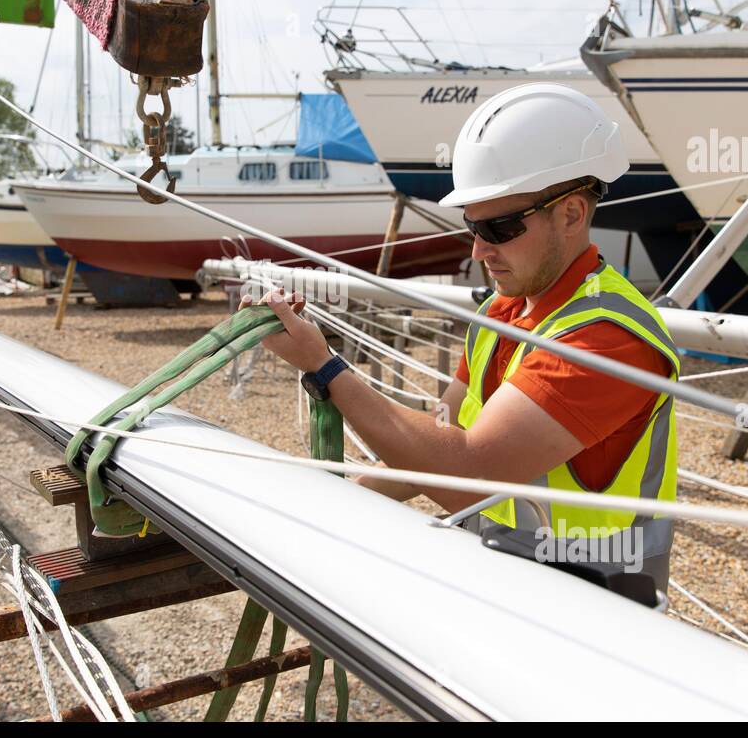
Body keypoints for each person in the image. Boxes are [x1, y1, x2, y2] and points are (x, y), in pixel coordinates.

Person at [244, 83, 680, 591]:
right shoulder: (503, 312)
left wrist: (325, 368)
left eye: (498, 229)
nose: (478, 251)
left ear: (572, 214)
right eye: (471, 227)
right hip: (512, 584)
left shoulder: (605, 338)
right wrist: (339, 503)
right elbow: (438, 442)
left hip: (596, 610)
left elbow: (471, 471)